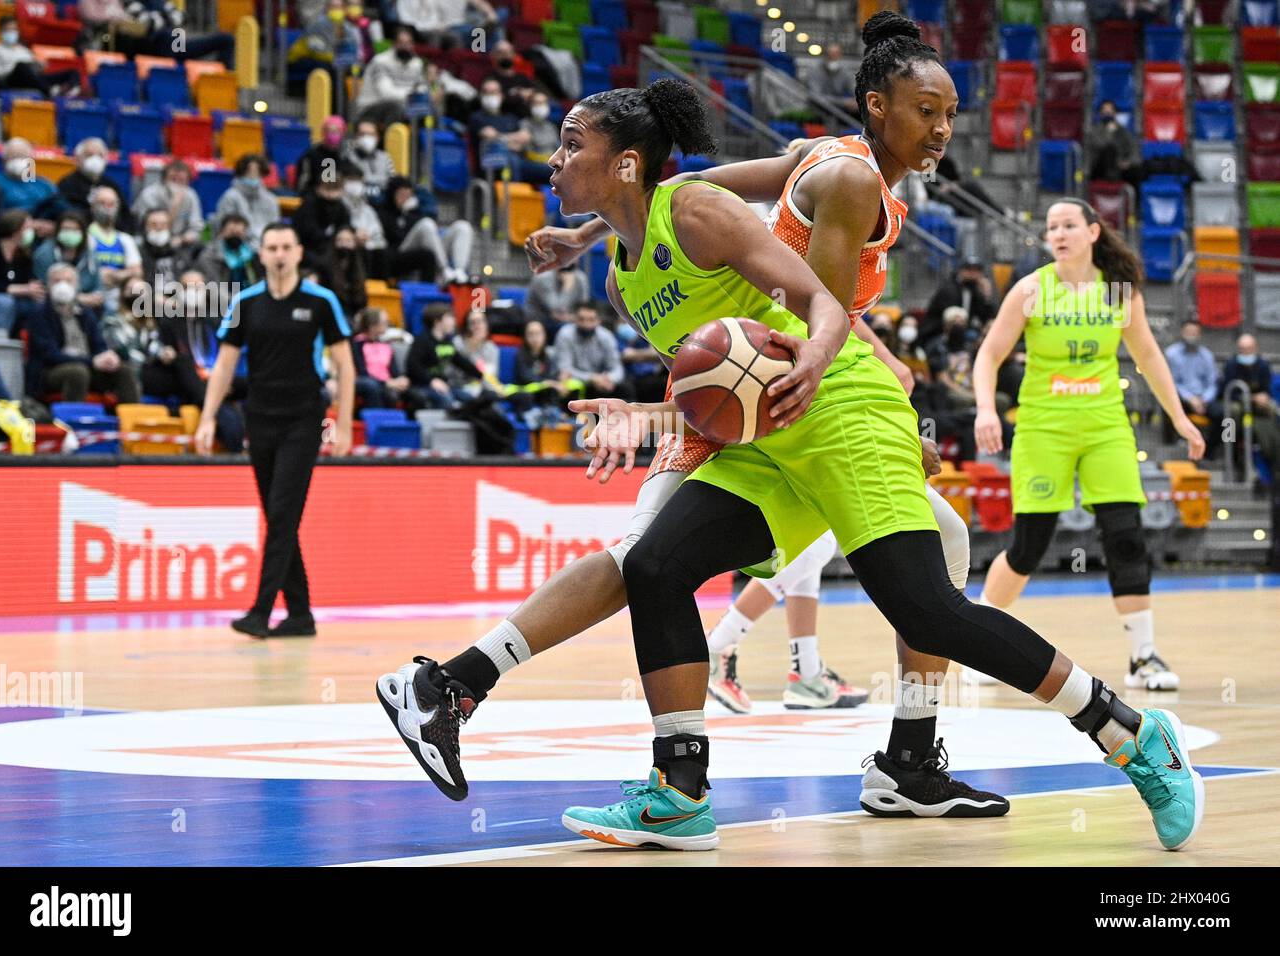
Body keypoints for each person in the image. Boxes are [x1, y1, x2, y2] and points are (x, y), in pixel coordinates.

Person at [381, 24, 1201, 853]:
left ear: (624, 158)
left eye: (949, 112)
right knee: (656, 565)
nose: (945, 128)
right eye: (930, 110)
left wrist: (815, 360)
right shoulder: (650, 254)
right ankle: (682, 790)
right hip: (772, 431)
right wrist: (594, 241)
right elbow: (720, 319)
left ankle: (1127, 732)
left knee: (927, 603)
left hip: (838, 407)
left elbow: (817, 305)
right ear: (877, 107)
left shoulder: (813, 180)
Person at [972, 197, 1208, 693]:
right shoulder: (1031, 290)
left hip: (1105, 426)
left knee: (1125, 535)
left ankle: (1143, 657)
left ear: (1093, 232)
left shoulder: (1118, 291)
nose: (1058, 233)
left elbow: (1147, 355)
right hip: (1043, 427)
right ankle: (980, 643)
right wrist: (987, 409)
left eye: (1069, 225)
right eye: (1052, 227)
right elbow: (989, 354)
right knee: (1029, 546)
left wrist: (1180, 418)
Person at [196, 223, 355, 639]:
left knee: (282, 514)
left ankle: (261, 611)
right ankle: (300, 614)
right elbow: (224, 366)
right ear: (261, 255)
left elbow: (345, 365)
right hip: (259, 418)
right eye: (272, 248)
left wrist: (342, 423)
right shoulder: (245, 303)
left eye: (286, 246)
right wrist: (208, 417)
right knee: (278, 517)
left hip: (303, 419)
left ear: (299, 252)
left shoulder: (321, 301)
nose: (280, 254)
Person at [142, 269, 243, 451]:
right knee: (184, 363)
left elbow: (224, 356)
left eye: (198, 287)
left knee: (246, 381)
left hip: (208, 377)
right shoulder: (168, 320)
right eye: (188, 287)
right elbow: (152, 345)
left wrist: (220, 380)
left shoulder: (213, 322)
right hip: (178, 377)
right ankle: (214, 406)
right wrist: (163, 352)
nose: (193, 292)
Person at [25, 262, 140, 403]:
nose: (63, 285)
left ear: (76, 285)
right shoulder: (39, 314)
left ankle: (129, 419)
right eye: (57, 281)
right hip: (51, 371)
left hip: (88, 366)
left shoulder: (85, 313)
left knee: (124, 370)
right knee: (78, 372)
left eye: (68, 281)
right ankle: (72, 421)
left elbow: (99, 345)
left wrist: (107, 358)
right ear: (48, 285)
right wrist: (92, 361)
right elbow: (50, 355)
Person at [377, 176, 472, 285]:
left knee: (462, 226)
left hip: (427, 249)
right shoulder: (384, 213)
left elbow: (431, 223)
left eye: (408, 196)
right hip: (400, 252)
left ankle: (459, 271)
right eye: (401, 195)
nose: (405, 199)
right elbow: (395, 236)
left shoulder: (414, 211)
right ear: (392, 195)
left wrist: (411, 212)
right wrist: (403, 214)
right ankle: (444, 270)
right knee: (426, 225)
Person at [470, 79, 552, 185]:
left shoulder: (510, 118)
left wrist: (498, 137)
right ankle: (512, 199)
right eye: (487, 92)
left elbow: (524, 139)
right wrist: (511, 140)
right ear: (481, 95)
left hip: (519, 162)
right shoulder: (477, 118)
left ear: (501, 95)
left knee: (553, 170)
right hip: (491, 163)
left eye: (494, 92)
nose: (491, 96)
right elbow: (488, 136)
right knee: (511, 159)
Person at [1220, 333, 1278, 476]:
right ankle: (1229, 454)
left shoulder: (1263, 365)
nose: (1246, 352)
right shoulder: (1231, 365)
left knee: (1274, 411)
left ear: (1255, 348)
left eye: (1249, 349)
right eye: (1242, 349)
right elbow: (1227, 391)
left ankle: (1273, 464)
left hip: (1258, 410)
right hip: (1235, 407)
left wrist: (1263, 398)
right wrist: (1251, 397)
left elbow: (1267, 389)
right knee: (1229, 416)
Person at [552, 303, 632, 403]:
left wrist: (609, 379)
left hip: (601, 382)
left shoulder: (606, 336)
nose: (586, 324)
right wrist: (592, 378)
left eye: (591, 320)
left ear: (598, 321)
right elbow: (565, 369)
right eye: (581, 319)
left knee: (626, 389)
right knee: (569, 390)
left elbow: (617, 368)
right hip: (578, 382)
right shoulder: (565, 335)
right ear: (575, 319)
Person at [1163, 319, 1221, 455]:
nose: (1191, 335)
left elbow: (1213, 382)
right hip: (1182, 397)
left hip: (1204, 399)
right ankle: (1171, 449)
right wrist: (1190, 399)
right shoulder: (1172, 354)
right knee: (1168, 407)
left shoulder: (1207, 355)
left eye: (1194, 332)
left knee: (1225, 416)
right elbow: (1171, 382)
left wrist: (1204, 399)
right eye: (1189, 332)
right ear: (1182, 333)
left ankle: (1210, 450)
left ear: (1200, 334)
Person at [0, 16, 80, 96]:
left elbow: (34, 68)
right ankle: (50, 90)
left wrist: (39, 65)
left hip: (32, 78)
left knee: (72, 71)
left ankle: (72, 90)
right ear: (1, 32)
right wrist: (13, 68)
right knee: (21, 66)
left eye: (14, 29)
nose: (11, 33)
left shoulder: (24, 50)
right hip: (12, 81)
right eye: (8, 30)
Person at [0, 209, 43, 332]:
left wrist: (34, 290)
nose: (32, 232)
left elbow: (28, 280)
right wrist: (21, 289)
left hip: (13, 298)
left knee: (40, 305)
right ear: (15, 229)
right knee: (4, 303)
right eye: (28, 227)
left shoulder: (24, 255)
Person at [84, 187, 142, 316]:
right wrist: (99, 277)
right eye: (102, 203)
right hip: (92, 294)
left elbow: (137, 271)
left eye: (111, 204)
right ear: (92, 206)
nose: (107, 208)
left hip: (119, 294)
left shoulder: (125, 239)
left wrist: (116, 275)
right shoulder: (85, 237)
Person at [58, 139, 135, 235]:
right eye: (89, 155)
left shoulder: (111, 185)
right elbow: (67, 214)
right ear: (77, 159)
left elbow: (125, 215)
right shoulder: (67, 184)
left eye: (100, 155)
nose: (95, 159)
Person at [353, 26, 426, 128]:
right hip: (370, 108)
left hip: (405, 105)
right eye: (401, 43)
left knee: (426, 107)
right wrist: (412, 94)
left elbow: (421, 88)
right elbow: (387, 94)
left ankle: (423, 142)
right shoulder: (380, 61)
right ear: (394, 44)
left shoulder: (416, 63)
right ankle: (390, 142)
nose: (406, 46)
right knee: (395, 107)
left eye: (409, 43)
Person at [920, 258, 998, 346]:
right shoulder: (949, 288)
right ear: (961, 271)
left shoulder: (976, 290)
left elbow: (987, 318)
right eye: (969, 269)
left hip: (963, 332)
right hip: (938, 333)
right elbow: (954, 318)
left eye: (977, 270)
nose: (973, 274)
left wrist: (986, 296)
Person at [0, 138, 64, 228]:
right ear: (4, 160)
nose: (19, 161)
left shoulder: (45, 185)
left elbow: (59, 209)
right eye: (14, 157)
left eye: (23, 157)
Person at [214, 156, 280, 249]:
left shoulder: (271, 199)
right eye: (249, 172)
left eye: (257, 172)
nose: (253, 176)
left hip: (266, 246)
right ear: (241, 173)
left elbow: (275, 228)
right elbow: (223, 229)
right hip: (237, 247)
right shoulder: (230, 197)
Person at [131, 160, 203, 246]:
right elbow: (150, 225)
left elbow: (196, 227)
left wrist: (182, 239)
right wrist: (174, 207)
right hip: (150, 239)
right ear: (163, 180)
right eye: (173, 179)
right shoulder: (150, 193)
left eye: (181, 180)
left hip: (180, 241)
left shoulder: (191, 195)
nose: (177, 183)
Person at [350, 307, 408, 408]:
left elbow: (394, 370)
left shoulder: (386, 345)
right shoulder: (357, 344)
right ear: (372, 326)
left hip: (388, 382)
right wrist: (386, 383)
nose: (388, 324)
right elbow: (362, 371)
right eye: (384, 322)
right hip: (367, 381)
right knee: (372, 386)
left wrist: (401, 379)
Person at [137, 207, 199, 287]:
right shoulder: (137, 253)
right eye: (153, 225)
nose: (159, 228)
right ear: (145, 227)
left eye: (163, 225)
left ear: (170, 228)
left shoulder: (182, 251)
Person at [196, 213, 259, 287]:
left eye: (239, 234)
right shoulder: (209, 257)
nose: (235, 237)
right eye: (232, 233)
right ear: (222, 232)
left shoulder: (253, 255)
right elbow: (214, 287)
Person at [1086, 99, 1141, 185]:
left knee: (1136, 171)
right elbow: (1101, 145)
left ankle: (1135, 198)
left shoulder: (1123, 130)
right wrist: (1109, 133)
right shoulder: (1095, 131)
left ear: (1115, 113)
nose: (1108, 112)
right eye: (1105, 110)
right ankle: (1112, 180)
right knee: (1109, 149)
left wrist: (1128, 162)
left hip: (1120, 166)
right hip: (1100, 166)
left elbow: (1133, 146)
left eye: (1110, 110)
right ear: (1100, 113)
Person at [341, 120, 397, 203]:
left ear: (377, 137)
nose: (366, 138)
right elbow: (349, 186)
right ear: (356, 137)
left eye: (371, 134)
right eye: (362, 134)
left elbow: (392, 182)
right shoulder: (348, 158)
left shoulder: (384, 157)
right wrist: (379, 185)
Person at [523, 259, 588, 329]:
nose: (573, 260)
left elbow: (584, 307)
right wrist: (567, 288)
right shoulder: (543, 277)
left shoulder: (581, 278)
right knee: (566, 328)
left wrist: (572, 317)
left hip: (567, 319)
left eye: (576, 257)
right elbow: (557, 309)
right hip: (539, 321)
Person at [804, 43, 861, 120]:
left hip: (840, 108)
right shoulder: (814, 70)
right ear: (825, 55)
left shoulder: (843, 71)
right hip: (819, 109)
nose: (833, 57)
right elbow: (816, 97)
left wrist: (856, 101)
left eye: (836, 55)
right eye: (830, 54)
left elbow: (853, 89)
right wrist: (844, 103)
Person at [295, 116, 346, 195]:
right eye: (329, 131)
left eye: (337, 131)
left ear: (342, 133)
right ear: (323, 133)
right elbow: (302, 184)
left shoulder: (346, 155)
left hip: (341, 198)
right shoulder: (311, 155)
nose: (333, 134)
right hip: (315, 198)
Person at [454, 308, 498, 380]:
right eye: (473, 322)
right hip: (458, 386)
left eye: (480, 321)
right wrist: (470, 349)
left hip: (482, 388)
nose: (477, 326)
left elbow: (491, 377)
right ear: (466, 327)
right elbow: (454, 375)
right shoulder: (458, 343)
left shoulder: (491, 348)